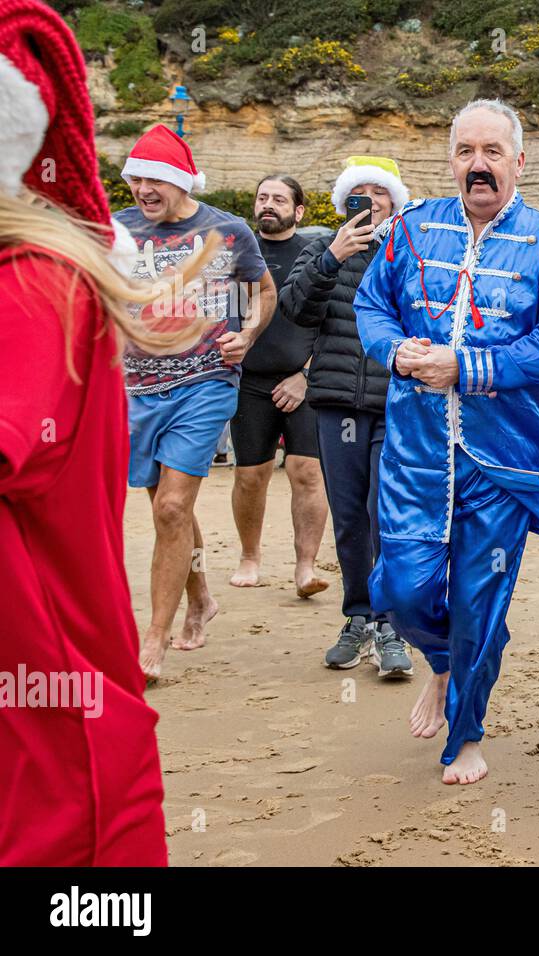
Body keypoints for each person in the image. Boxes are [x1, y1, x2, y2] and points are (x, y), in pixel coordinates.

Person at [0, 0, 210, 862]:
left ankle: (176, 618)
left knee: (172, 509)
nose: (145, 193)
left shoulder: (36, 282)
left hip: (57, 756)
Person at [354, 99, 539, 785]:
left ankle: (466, 734)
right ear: (450, 159)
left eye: (492, 152)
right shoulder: (412, 232)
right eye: (465, 152)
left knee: (481, 605)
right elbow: (371, 305)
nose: (478, 166)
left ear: (520, 161)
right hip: (416, 452)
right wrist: (395, 353)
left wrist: (471, 367)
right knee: (399, 588)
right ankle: (443, 659)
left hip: (503, 457)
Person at [114, 125, 275, 680]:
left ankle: (153, 638)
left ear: (178, 181)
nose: (140, 188)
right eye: (134, 178)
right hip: (134, 389)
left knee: (172, 509)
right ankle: (201, 595)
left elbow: (265, 291)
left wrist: (248, 335)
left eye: (152, 178)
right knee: (167, 510)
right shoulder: (118, 232)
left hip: (206, 382)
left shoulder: (227, 231)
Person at [280, 157, 413, 678]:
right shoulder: (321, 249)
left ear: (394, 203)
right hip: (336, 400)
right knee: (350, 517)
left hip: (395, 402)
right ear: (343, 204)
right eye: (358, 194)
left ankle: (390, 626)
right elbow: (293, 308)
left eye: (380, 193)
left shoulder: (409, 252)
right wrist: (331, 259)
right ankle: (357, 617)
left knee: (387, 515)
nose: (370, 202)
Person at [229, 173, 329, 598]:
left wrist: (305, 374)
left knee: (306, 471)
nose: (268, 204)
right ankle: (249, 556)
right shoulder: (233, 252)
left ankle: (305, 567)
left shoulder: (315, 254)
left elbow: (336, 321)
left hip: (303, 379)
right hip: (248, 381)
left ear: (298, 210)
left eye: (279, 199)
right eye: (262, 196)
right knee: (250, 475)